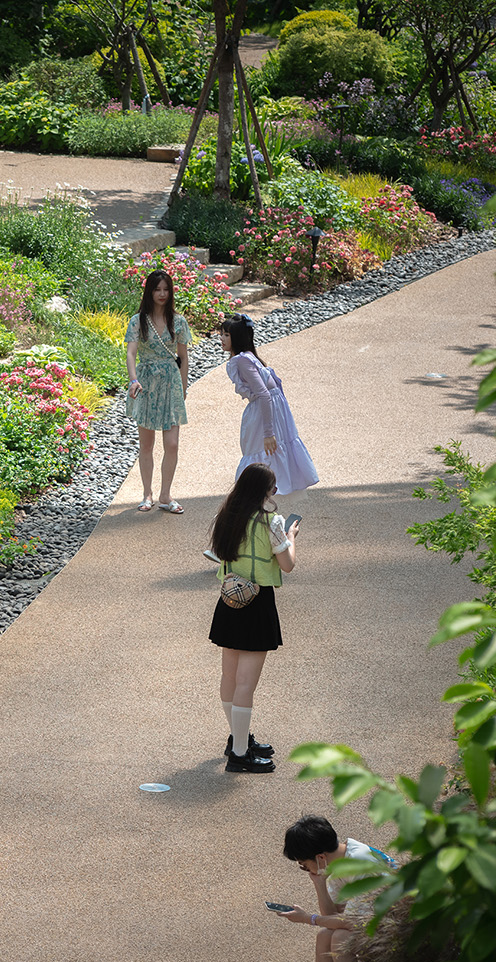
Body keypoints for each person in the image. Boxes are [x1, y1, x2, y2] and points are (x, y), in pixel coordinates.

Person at [274, 815, 397, 962]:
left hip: (401, 931)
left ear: (320, 857)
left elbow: (352, 923)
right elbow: (332, 917)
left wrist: (308, 918)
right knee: (325, 935)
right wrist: (319, 883)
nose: (305, 869)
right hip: (377, 925)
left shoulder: (360, 863)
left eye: (304, 864)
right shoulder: (339, 863)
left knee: (341, 937)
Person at [208, 463, 299, 772]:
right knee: (246, 683)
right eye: (273, 488)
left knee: (230, 678)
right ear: (266, 491)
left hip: (229, 600)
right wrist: (290, 537)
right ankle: (239, 755)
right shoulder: (273, 522)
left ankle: (238, 738)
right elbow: (287, 565)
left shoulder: (226, 516)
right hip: (257, 603)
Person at [220, 313, 319, 496]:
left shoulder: (242, 361)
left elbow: (264, 394)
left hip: (263, 413)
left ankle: (253, 496)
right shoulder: (249, 357)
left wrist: (268, 433)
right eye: (222, 334)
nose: (222, 338)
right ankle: (267, 491)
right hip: (273, 411)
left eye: (226, 335)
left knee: (258, 452)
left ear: (238, 338)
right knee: (269, 454)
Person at [125, 270, 191, 514]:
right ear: (149, 292)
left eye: (166, 289)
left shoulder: (178, 321)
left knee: (172, 444)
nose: (162, 294)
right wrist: (133, 380)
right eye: (157, 289)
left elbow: (183, 357)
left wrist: (183, 387)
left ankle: (165, 494)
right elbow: (131, 352)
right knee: (147, 444)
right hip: (146, 383)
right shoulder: (138, 320)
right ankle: (147, 493)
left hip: (171, 383)